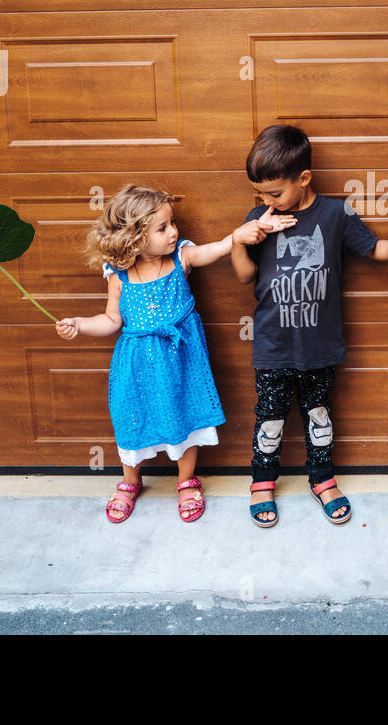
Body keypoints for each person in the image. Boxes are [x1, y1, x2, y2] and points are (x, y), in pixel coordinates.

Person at [57, 184, 289, 524]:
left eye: (173, 223)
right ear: (134, 238)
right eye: (163, 227)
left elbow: (221, 247)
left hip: (181, 359)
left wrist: (241, 235)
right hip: (136, 362)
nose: (174, 232)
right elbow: (110, 319)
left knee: (186, 412)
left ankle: (185, 480)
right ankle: (130, 480)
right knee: (131, 416)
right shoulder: (118, 275)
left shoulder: (182, 256)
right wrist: (80, 323)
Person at [231, 125, 388, 527]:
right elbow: (245, 276)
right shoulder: (258, 218)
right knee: (271, 416)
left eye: (275, 193)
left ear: (304, 179)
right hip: (273, 344)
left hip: (319, 343)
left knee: (318, 414)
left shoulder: (335, 214)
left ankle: (323, 480)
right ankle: (262, 481)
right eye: (260, 194)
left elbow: (375, 249)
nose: (267, 201)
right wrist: (239, 240)